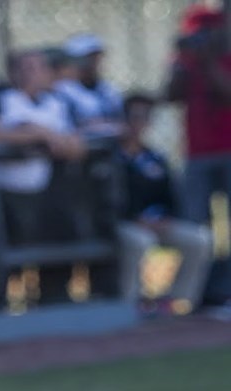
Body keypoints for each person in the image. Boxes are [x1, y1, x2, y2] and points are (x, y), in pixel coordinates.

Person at [0, 49, 87, 307]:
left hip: (43, 187)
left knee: (58, 240)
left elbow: (75, 143)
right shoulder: (3, 98)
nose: (30, 73)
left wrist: (58, 140)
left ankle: (53, 300)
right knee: (3, 252)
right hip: (4, 189)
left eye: (37, 68)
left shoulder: (57, 102)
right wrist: (40, 134)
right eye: (23, 67)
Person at [115, 94, 212, 315]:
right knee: (140, 241)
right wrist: (135, 218)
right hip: (125, 224)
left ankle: (176, 302)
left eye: (144, 117)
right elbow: (109, 202)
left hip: (157, 222)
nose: (137, 123)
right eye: (133, 117)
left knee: (199, 239)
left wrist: (165, 217)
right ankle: (130, 304)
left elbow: (169, 197)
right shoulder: (110, 158)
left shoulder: (155, 157)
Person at [165, 6, 231, 313]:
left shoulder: (222, 58)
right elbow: (169, 96)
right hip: (196, 154)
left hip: (227, 150)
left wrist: (206, 62)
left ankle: (224, 289)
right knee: (194, 226)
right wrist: (181, 63)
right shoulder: (186, 61)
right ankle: (197, 294)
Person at [54, 33, 124, 135]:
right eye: (88, 58)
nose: (93, 63)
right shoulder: (61, 91)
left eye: (96, 57)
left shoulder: (108, 89)